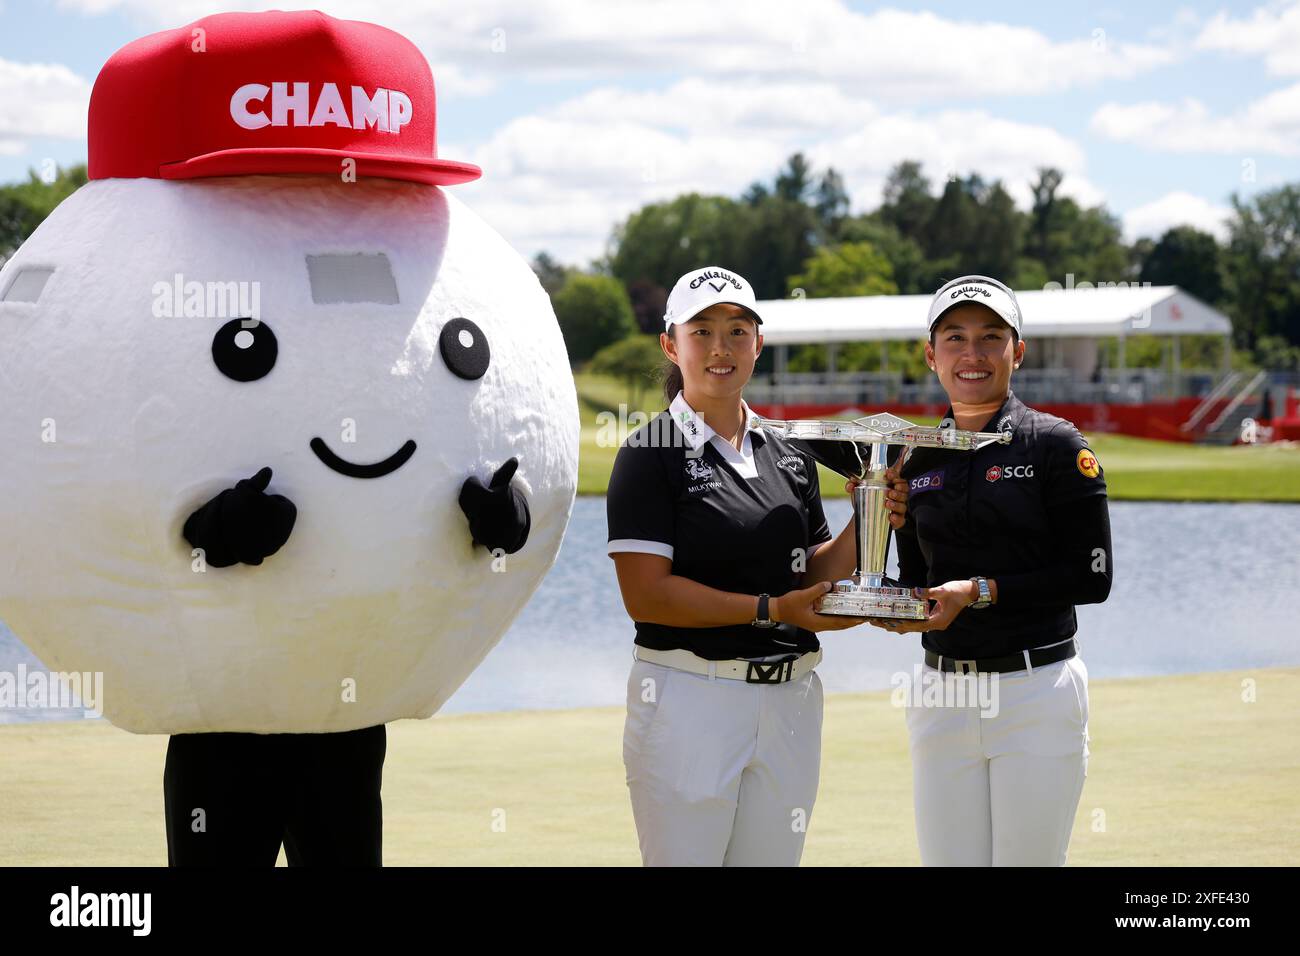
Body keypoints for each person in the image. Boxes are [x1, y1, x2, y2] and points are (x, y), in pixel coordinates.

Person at [605, 265, 910, 866]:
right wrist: (770, 610)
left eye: (738, 330)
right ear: (672, 344)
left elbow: (811, 572)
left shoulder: (788, 449)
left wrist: (867, 517)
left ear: (758, 343)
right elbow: (648, 596)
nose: (722, 348)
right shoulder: (649, 453)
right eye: (702, 331)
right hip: (690, 697)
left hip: (791, 701)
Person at [872, 274, 1113, 866]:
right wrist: (898, 603)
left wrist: (978, 592)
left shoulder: (1056, 445)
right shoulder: (917, 452)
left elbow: (1091, 576)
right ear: (932, 355)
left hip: (1035, 689)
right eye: (954, 338)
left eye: (990, 337)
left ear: (1017, 350)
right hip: (940, 690)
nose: (972, 354)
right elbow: (919, 578)